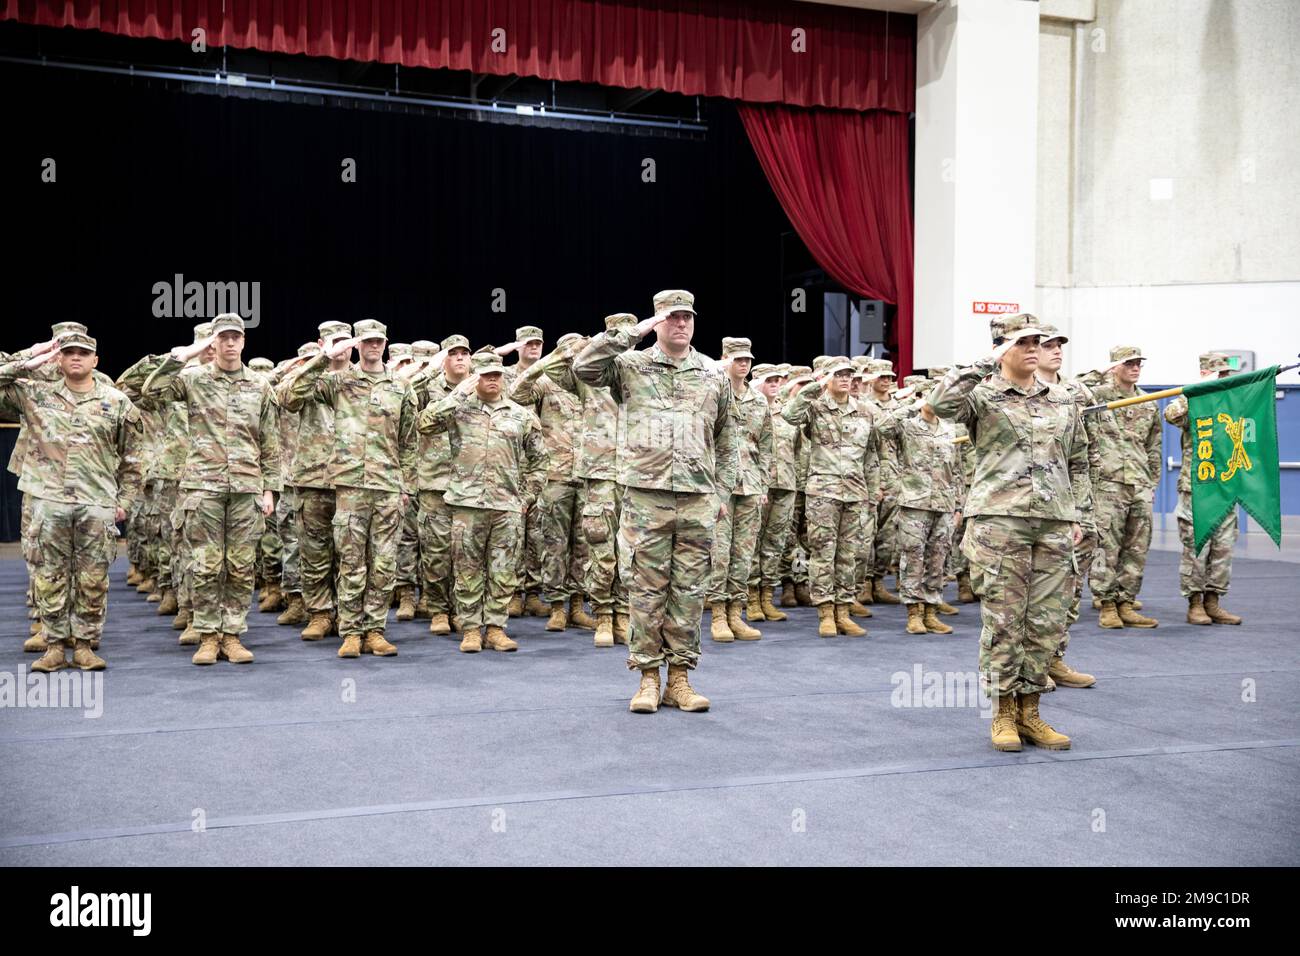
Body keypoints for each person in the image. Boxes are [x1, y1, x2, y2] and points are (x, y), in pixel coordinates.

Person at [928, 313, 1091, 752]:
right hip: (999, 522)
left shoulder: (1061, 399)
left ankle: (1031, 712)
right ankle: (1002, 713)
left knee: (1046, 623)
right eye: (1023, 342)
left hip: (1054, 522)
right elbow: (939, 405)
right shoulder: (981, 396)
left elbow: (1077, 461)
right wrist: (987, 360)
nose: (1035, 348)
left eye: (1038, 340)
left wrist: (1079, 517)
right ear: (1003, 347)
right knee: (1004, 621)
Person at [573, 289, 737, 714]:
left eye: (687, 317)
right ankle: (647, 677)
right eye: (671, 317)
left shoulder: (712, 374)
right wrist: (633, 332)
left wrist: (721, 490)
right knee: (645, 591)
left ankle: (680, 678)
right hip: (647, 496)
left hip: (698, 499)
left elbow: (726, 437)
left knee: (689, 591)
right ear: (657, 322)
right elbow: (584, 366)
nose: (680, 323)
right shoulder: (631, 365)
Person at [142, 313, 281, 665]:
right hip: (202, 486)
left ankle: (232, 635)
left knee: (240, 565)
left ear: (244, 341)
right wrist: (187, 353)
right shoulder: (193, 379)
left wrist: (270, 490)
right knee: (204, 565)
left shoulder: (259, 386)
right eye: (223, 337)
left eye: (236, 337)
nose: (230, 343)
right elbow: (150, 390)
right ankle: (207, 635)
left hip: (247, 487)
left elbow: (270, 442)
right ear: (213, 342)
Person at [1, 333, 143, 671]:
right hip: (49, 501)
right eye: (68, 353)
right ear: (59, 359)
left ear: (95, 361)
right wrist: (32, 357)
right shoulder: (35, 394)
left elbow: (134, 457)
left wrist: (124, 499)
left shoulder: (116, 401)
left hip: (95, 501)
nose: (76, 357)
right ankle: (53, 645)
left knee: (93, 577)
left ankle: (84, 644)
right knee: (50, 576)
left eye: (83, 353)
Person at [279, 320, 417, 659]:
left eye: (378, 341)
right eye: (367, 341)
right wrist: (323, 358)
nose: (373, 346)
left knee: (383, 563)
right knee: (352, 562)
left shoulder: (400, 388)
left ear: (385, 343)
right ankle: (351, 631)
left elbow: (410, 442)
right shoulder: (339, 383)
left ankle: (375, 630)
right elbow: (289, 396)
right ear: (357, 345)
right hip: (350, 487)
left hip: (386, 486)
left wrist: (406, 485)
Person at [418, 351, 547, 653]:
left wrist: (527, 497)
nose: (491, 379)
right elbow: (424, 423)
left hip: (506, 507)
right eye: (485, 374)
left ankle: (496, 628)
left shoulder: (521, 415)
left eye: (496, 375)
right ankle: (471, 629)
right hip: (467, 504)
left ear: (503, 377)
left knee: (503, 571)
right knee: (467, 569)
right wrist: (459, 394)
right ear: (476, 376)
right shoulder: (459, 411)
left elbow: (540, 461)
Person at [536, 314, 637, 646]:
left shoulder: (642, 369)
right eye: (615, 334)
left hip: (635, 471)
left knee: (630, 549)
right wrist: (580, 347)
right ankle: (604, 616)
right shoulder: (590, 373)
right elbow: (552, 372)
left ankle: (623, 614)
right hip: (598, 470)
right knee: (599, 548)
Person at [782, 356, 881, 638]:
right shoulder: (815, 407)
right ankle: (825, 612)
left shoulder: (864, 411)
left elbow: (871, 455)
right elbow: (789, 416)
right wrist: (815, 386)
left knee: (849, 555)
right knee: (823, 553)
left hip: (855, 492)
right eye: (839, 374)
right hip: (823, 492)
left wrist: (872, 493)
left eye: (849, 374)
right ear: (827, 377)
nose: (845, 378)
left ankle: (843, 610)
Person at [509, 333, 596, 634]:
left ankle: (577, 605)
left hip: (588, 474)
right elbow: (516, 394)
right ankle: (558, 606)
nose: (576, 357)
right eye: (570, 353)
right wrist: (551, 361)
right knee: (554, 544)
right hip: (556, 475)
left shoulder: (592, 383)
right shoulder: (546, 382)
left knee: (584, 545)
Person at [276, 322, 352, 640]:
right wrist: (319, 360)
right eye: (334, 342)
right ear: (322, 343)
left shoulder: (365, 379)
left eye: (346, 341)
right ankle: (320, 613)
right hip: (313, 479)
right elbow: (286, 397)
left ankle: (349, 616)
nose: (341, 347)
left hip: (354, 479)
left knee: (352, 554)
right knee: (314, 552)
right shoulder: (310, 379)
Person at [1035, 325, 1099, 688]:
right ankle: (1033, 665)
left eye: (1059, 344)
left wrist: (1084, 507)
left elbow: (1083, 451)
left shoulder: (1074, 392)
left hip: (1077, 503)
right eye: (1048, 345)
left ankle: (1055, 657)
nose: (1056, 350)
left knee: (1071, 588)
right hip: (1037, 505)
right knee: (1036, 590)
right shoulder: (1013, 393)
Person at [1164, 351, 1243, 625]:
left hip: (1226, 487)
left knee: (1223, 548)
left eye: (1225, 374)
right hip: (1196, 487)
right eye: (1217, 373)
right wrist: (1197, 392)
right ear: (1205, 374)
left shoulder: (1232, 402)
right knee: (1197, 548)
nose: (1223, 378)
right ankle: (1194, 603)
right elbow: (1171, 415)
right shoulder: (1192, 402)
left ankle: (1214, 601)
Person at [1086, 346, 1162, 629]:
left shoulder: (1148, 401)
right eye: (1128, 363)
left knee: (1137, 547)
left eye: (1138, 363)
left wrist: (1151, 482)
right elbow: (1073, 388)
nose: (1135, 368)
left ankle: (1126, 602)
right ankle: (1106, 603)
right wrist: (1099, 373)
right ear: (1115, 365)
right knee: (1106, 546)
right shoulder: (1098, 396)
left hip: (1139, 482)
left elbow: (1154, 445)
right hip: (1107, 482)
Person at [878, 386, 962, 635]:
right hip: (915, 502)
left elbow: (955, 470)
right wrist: (912, 406)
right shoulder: (908, 425)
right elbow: (882, 428)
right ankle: (913, 612)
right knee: (913, 558)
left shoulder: (949, 428)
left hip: (944, 503)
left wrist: (958, 505)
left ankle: (931, 610)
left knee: (937, 559)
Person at [707, 337, 772, 643]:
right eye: (738, 359)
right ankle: (718, 614)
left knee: (743, 554)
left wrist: (762, 482)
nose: (744, 364)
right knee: (719, 553)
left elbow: (766, 444)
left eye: (748, 359)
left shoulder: (759, 400)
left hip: (750, 486)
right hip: (720, 485)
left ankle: (736, 613)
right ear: (725, 359)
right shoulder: (713, 392)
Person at [749, 364, 798, 622]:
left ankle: (767, 596)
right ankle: (751, 597)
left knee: (775, 543)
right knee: (753, 542)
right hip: (759, 485)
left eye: (778, 380)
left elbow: (798, 448)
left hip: (786, 484)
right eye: (770, 380)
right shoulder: (750, 408)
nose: (775, 384)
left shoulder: (786, 413)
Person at [861, 359, 902, 604]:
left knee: (888, 535)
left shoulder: (899, 407)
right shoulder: (863, 406)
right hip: (870, 477)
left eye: (889, 376)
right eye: (881, 377)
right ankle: (863, 583)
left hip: (894, 476)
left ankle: (878, 581)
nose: (886, 381)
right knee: (866, 532)